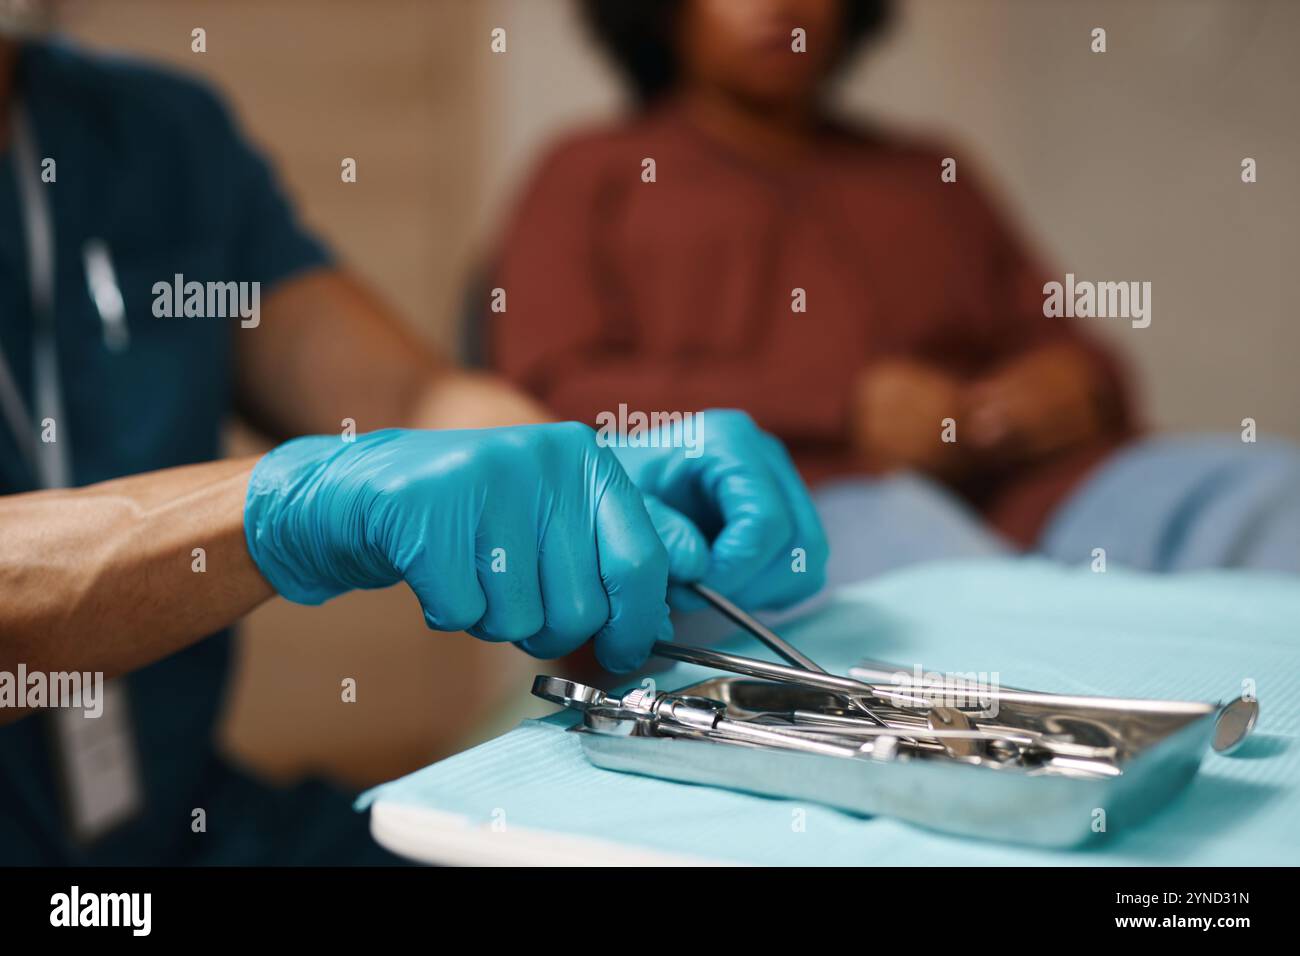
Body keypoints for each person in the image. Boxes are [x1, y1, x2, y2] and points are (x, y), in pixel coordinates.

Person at [0, 27, 827, 864]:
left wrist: (590, 466)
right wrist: (293, 509)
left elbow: (407, 396)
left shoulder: (155, 132)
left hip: (187, 824)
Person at [487, 0, 1300, 588]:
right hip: (788, 513)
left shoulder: (928, 172)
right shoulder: (591, 171)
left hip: (1037, 498)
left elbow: (1066, 343)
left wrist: (1073, 386)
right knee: (978, 608)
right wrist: (841, 406)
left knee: (1273, 494)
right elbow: (549, 396)